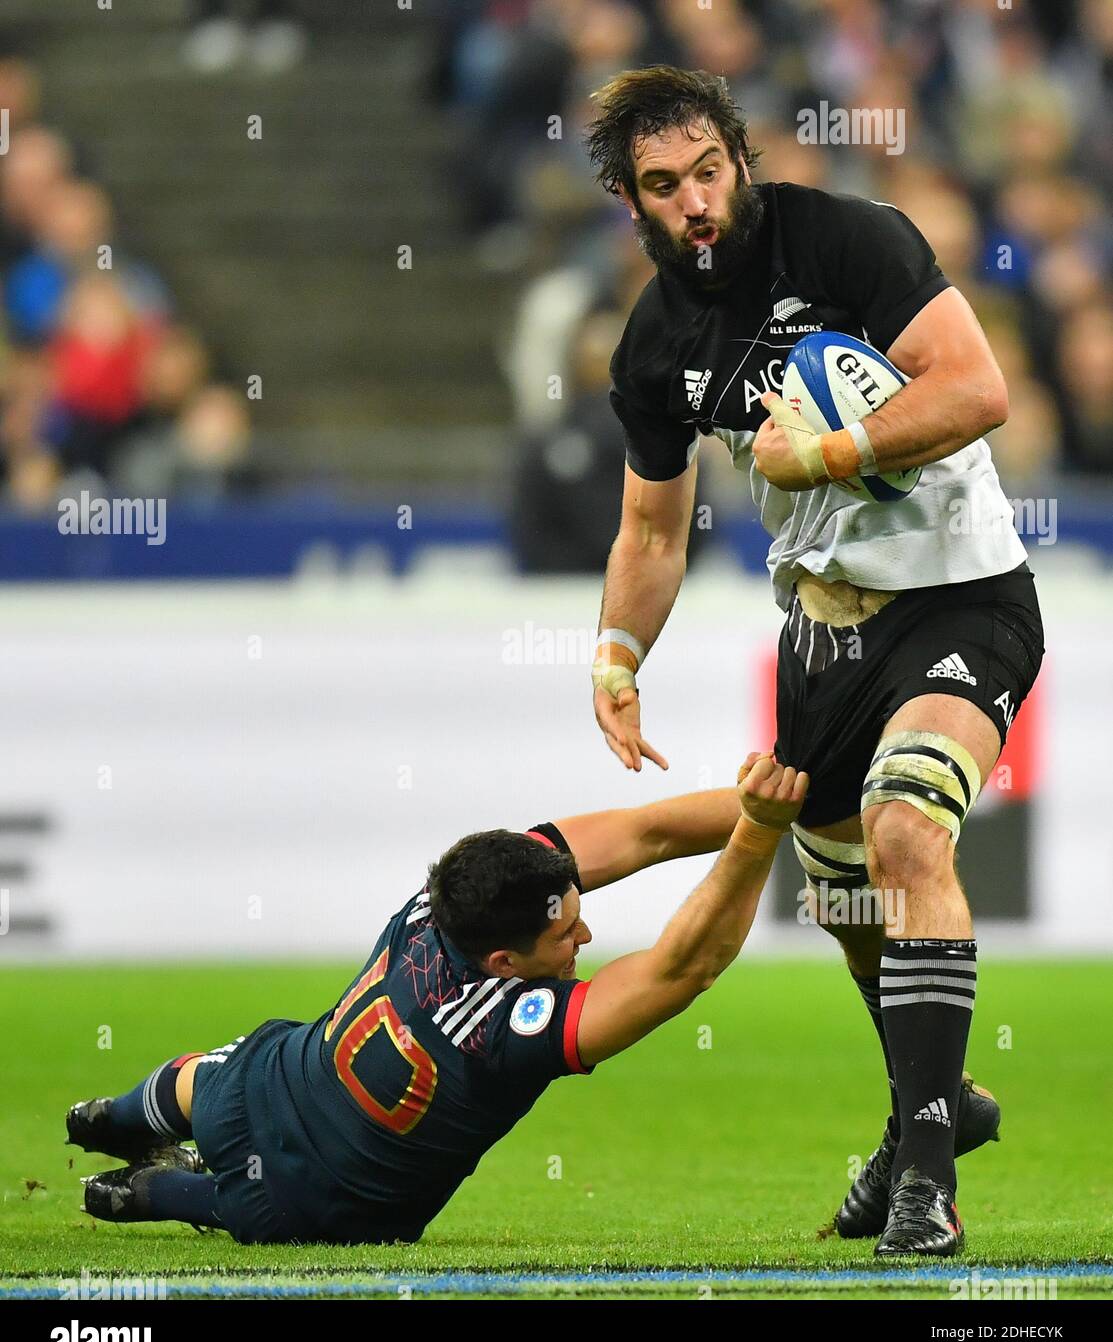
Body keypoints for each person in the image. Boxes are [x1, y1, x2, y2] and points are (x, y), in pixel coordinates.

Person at [585, 65, 1039, 1256]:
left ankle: (924, 1184)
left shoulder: (850, 241)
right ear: (633, 205)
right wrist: (619, 649)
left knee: (906, 834)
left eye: (709, 172)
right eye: (663, 186)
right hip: (823, 639)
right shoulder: (655, 341)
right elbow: (649, 527)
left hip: (962, 599)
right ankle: (930, 1108)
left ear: (740, 160)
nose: (694, 202)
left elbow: (978, 388)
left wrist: (832, 451)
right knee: (848, 907)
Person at [69, 756, 807, 1245]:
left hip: (268, 1080)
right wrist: (760, 831)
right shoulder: (498, 1027)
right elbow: (684, 969)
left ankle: (108, 1117)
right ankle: (146, 1194)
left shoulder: (450, 889)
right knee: (232, 1202)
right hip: (317, 1204)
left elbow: (648, 834)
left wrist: (788, 805)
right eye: (562, 933)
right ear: (501, 963)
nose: (584, 931)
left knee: (207, 1078)